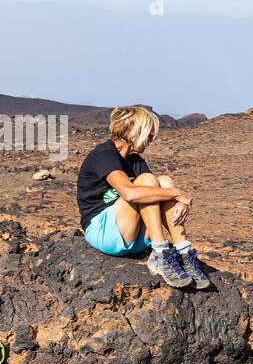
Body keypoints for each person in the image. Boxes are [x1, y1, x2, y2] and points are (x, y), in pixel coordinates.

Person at [75, 106, 210, 289]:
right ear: (136, 131)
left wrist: (178, 200)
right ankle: (160, 253)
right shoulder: (104, 154)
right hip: (104, 233)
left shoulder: (135, 160)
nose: (153, 138)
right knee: (149, 182)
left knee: (163, 181)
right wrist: (178, 194)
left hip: (135, 237)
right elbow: (130, 193)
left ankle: (184, 252)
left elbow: (156, 194)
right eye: (150, 133)